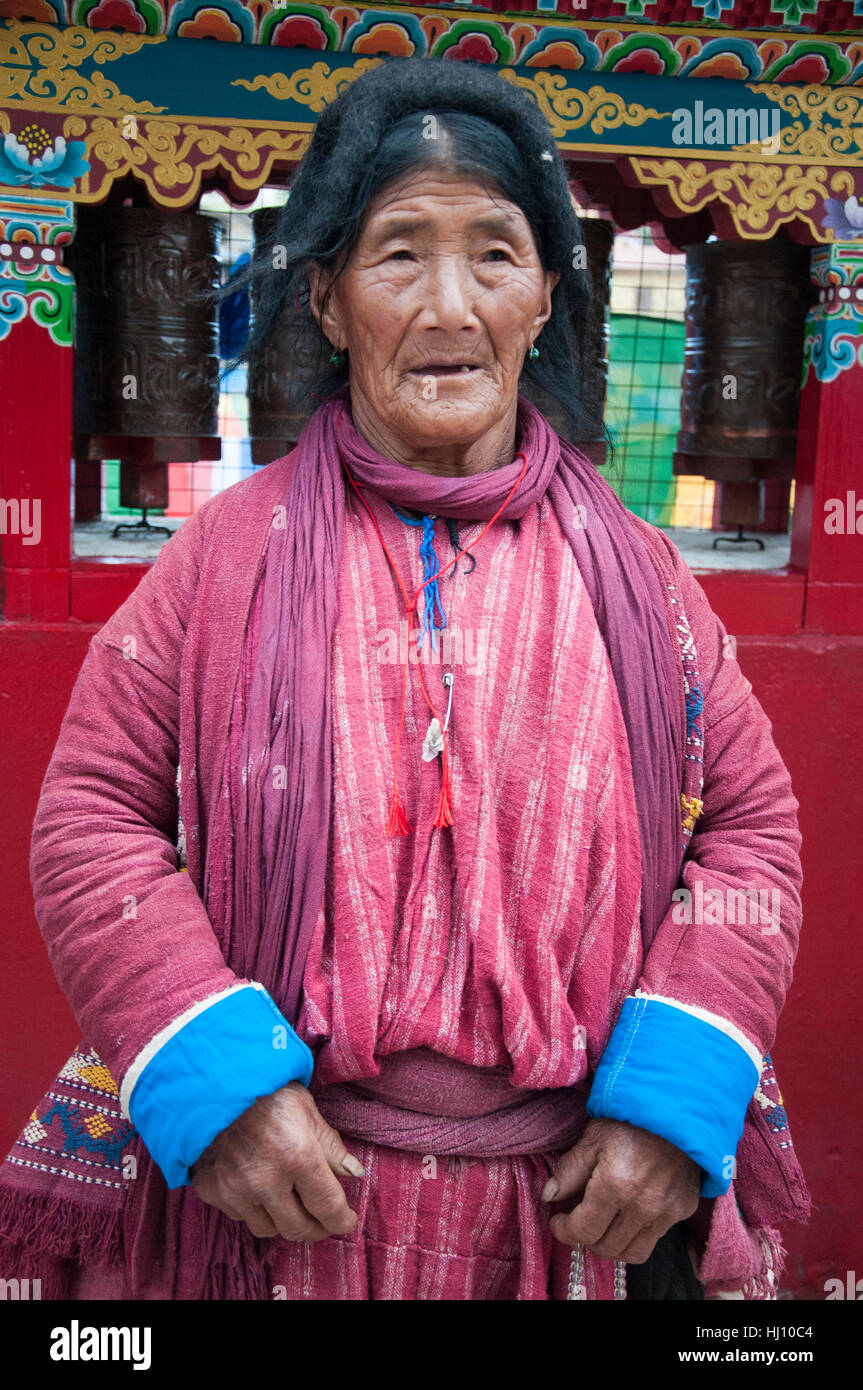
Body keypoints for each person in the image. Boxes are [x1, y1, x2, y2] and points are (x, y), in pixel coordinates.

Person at [0, 58, 808, 1301]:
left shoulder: (641, 580)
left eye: (493, 254)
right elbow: (92, 816)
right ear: (326, 302)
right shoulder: (227, 556)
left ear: (545, 297)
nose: (447, 305)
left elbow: (750, 834)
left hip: (571, 1216)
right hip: (287, 1206)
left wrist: (669, 1100)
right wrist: (220, 1088)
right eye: (396, 256)